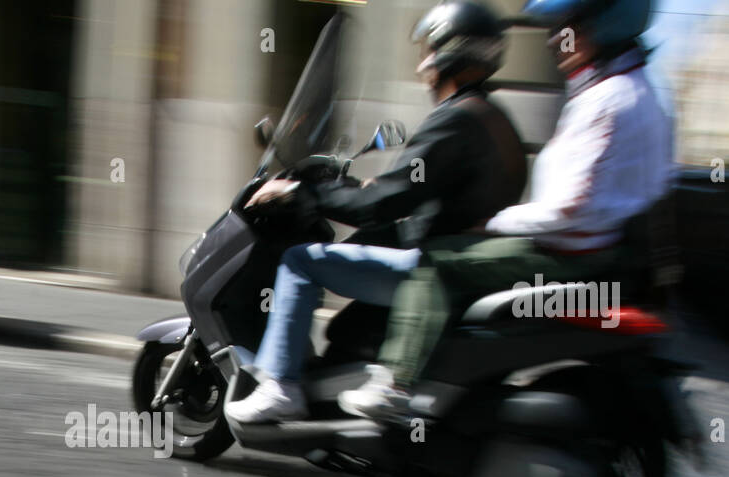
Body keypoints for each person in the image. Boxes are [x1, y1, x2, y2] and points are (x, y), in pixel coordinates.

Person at [338, 0, 671, 418]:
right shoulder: (644, 95)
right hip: (598, 249)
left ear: (602, 30)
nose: (555, 41)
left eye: (568, 28)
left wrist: (496, 223)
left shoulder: (608, 101)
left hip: (567, 254)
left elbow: (571, 208)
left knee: (437, 261)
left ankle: (395, 384)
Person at [225, 1, 526, 424]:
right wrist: (360, 189)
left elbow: (383, 203)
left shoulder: (453, 119)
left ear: (448, 51)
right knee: (368, 242)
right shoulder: (494, 118)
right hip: (464, 263)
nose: (423, 63)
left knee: (299, 262)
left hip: (430, 268)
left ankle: (280, 385)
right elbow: (416, 191)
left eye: (428, 50)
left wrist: (304, 192)